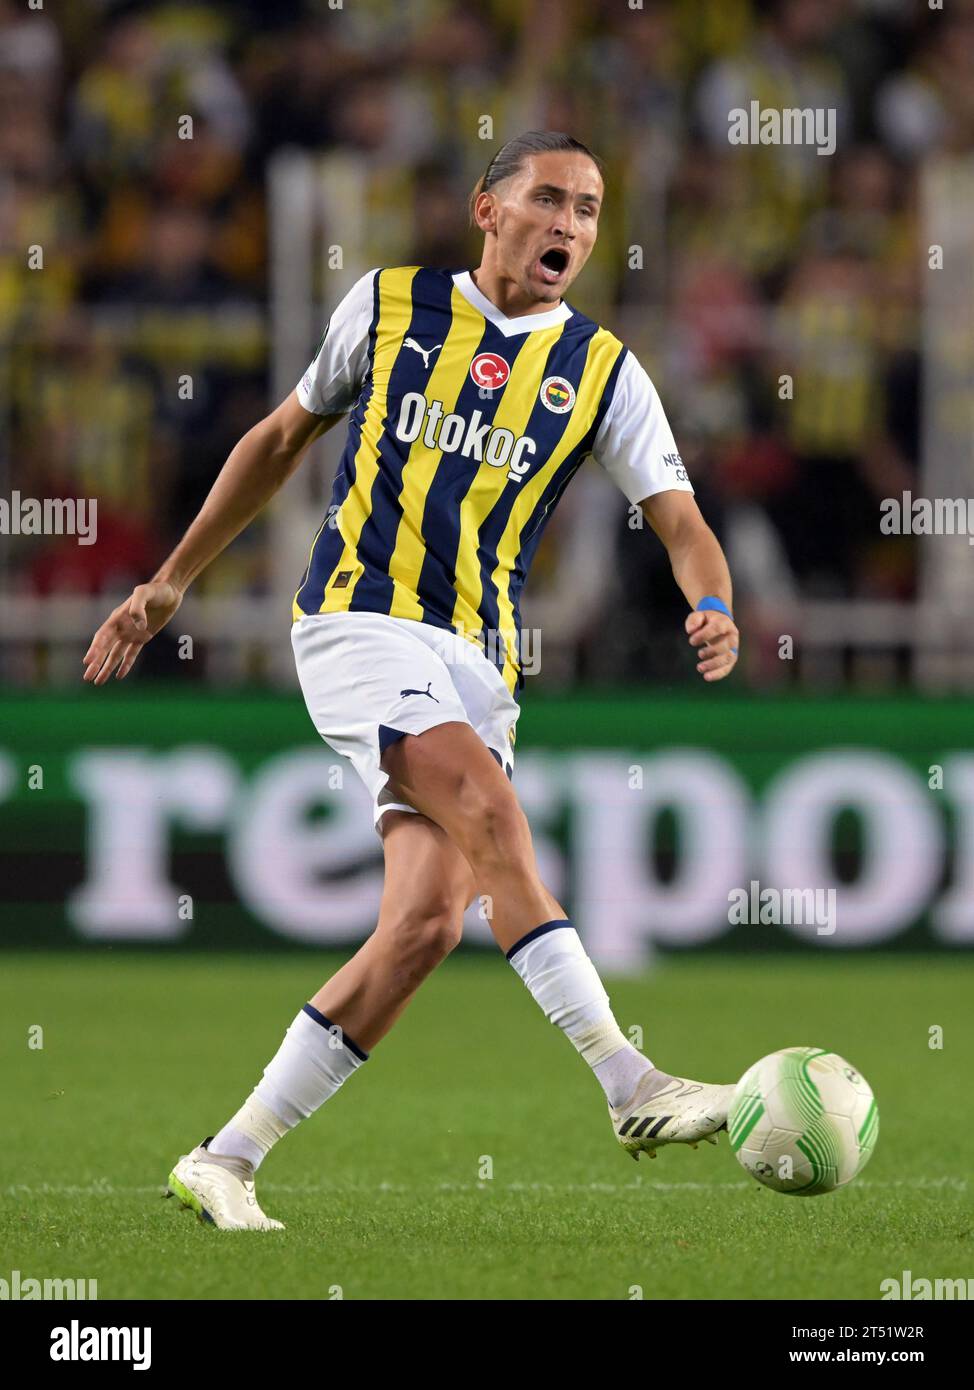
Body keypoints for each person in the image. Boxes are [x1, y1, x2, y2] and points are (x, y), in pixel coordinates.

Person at [83, 132, 740, 1230]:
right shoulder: (387, 305)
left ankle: (226, 1156)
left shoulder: (602, 371)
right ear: (486, 208)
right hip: (356, 620)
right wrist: (169, 581)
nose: (569, 226)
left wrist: (710, 604)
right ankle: (629, 1081)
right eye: (547, 199)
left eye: (586, 208)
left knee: (426, 925)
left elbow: (682, 523)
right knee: (487, 806)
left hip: (479, 660)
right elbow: (283, 436)